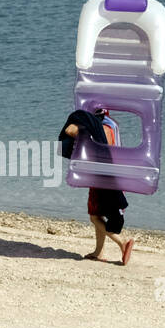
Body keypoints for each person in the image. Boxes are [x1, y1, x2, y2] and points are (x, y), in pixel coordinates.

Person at [62, 107, 134, 266]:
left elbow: (69, 130)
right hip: (114, 175)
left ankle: (123, 242)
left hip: (100, 177)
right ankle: (99, 251)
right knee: (99, 213)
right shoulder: (112, 127)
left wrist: (78, 128)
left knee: (94, 216)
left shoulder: (97, 128)